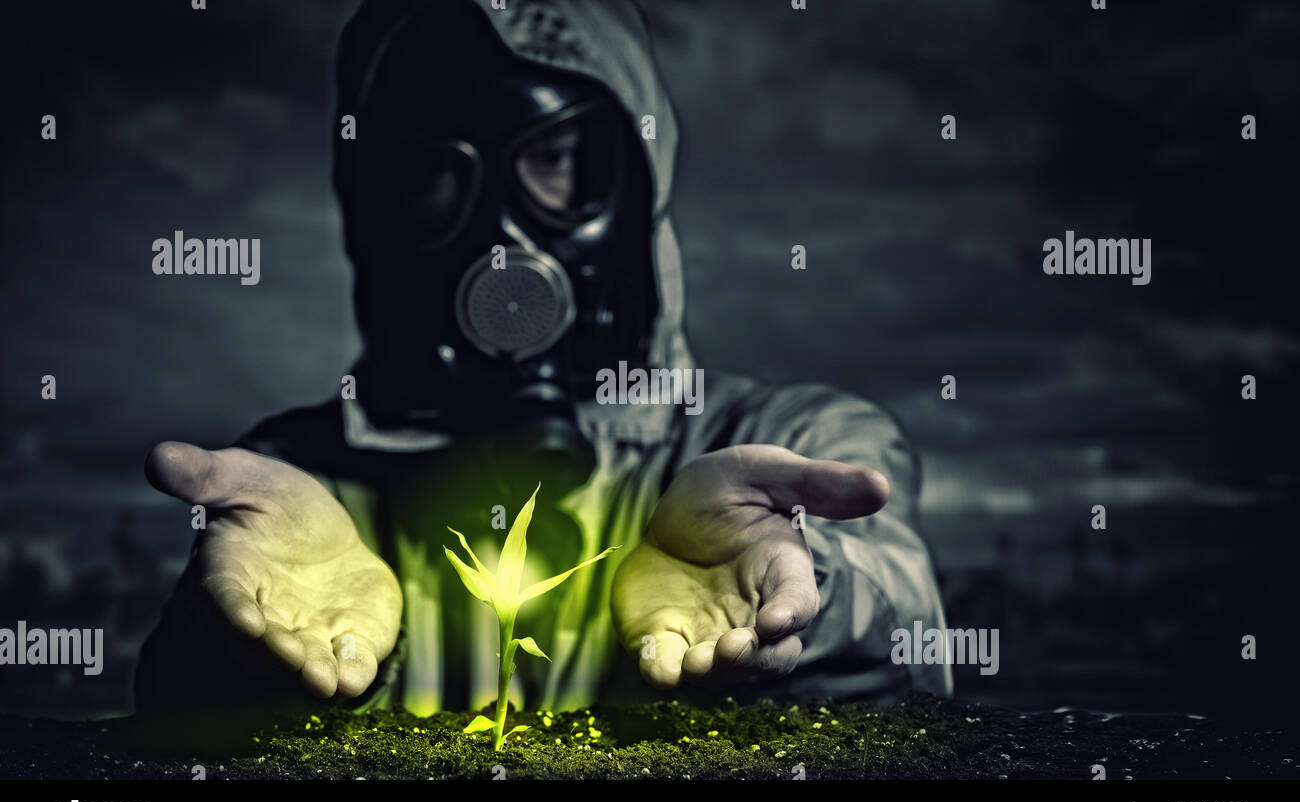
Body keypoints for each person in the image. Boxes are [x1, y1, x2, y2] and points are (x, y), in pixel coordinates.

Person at [134, 0, 951, 722]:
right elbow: (187, 723)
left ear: (643, 191)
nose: (501, 246)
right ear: (370, 208)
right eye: (431, 175)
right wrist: (241, 666)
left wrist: (804, 598)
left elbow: (911, 638)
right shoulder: (297, 491)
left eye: (556, 162)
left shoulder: (794, 438)